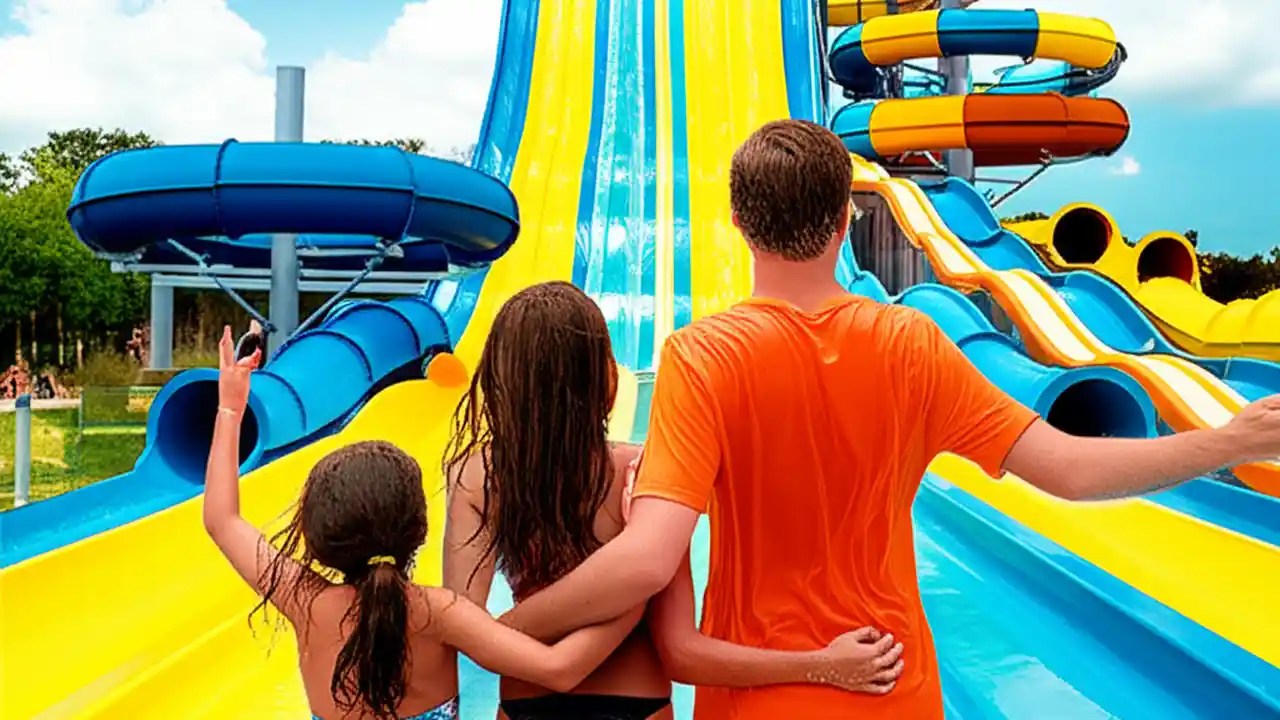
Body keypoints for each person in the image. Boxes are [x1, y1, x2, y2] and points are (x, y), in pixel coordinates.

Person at [493, 120, 1280, 719]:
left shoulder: (704, 357)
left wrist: (500, 626)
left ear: (737, 221)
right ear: (844, 222)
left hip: (760, 698)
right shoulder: (913, 343)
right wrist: (1227, 440)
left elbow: (645, 561)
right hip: (893, 683)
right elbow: (1071, 470)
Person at [441, 281, 905, 720]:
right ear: (605, 378)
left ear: (500, 384)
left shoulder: (477, 477)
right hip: (638, 705)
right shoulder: (641, 472)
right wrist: (820, 663)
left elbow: (464, 628)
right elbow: (682, 655)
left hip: (526, 705)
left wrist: (529, 643)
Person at [204, 325, 656, 720]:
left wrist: (230, 409)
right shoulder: (438, 612)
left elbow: (222, 521)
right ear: (417, 529)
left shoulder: (305, 604)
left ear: (318, 534)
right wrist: (637, 595)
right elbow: (559, 669)